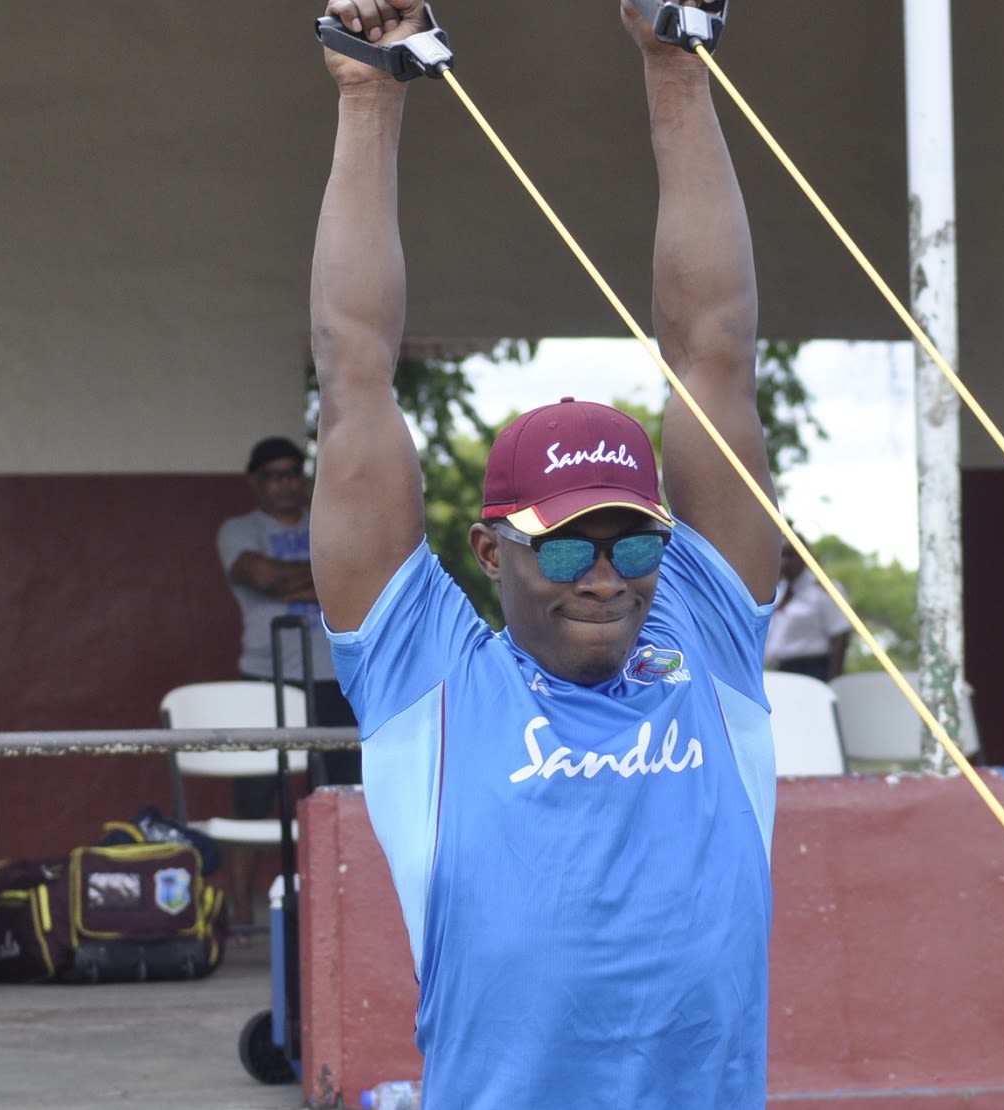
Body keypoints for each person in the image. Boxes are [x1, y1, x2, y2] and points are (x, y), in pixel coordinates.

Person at [311, 1, 781, 1105]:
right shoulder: (426, 676)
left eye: (630, 541)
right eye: (564, 553)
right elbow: (352, 378)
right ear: (490, 551)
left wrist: (674, 63)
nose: (606, 577)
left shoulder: (703, 637)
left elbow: (712, 351)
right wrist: (367, 97)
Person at [216, 435, 360, 926]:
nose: (285, 485)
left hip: (334, 677)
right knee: (253, 796)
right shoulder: (238, 530)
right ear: (256, 483)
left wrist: (301, 579)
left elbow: (357, 575)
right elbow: (263, 578)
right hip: (265, 675)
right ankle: (240, 914)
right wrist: (322, 580)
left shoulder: (329, 524)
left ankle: (349, 909)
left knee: (346, 792)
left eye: (293, 473)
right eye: (274, 476)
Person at [764, 538, 852, 681]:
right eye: (781, 555)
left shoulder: (824, 589)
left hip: (813, 671)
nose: (785, 562)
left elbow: (841, 635)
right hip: (781, 672)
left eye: (791, 555)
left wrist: (834, 683)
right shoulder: (777, 592)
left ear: (805, 556)